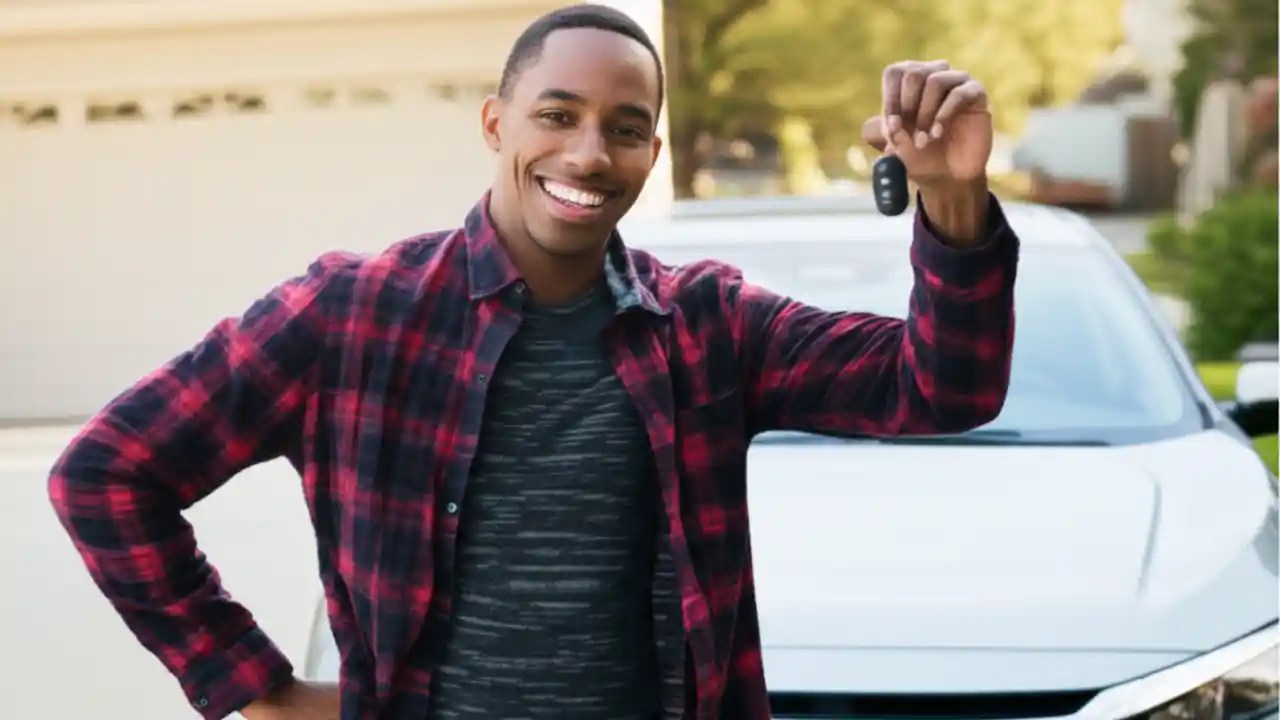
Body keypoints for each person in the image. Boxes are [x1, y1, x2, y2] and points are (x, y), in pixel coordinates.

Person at [47, 4, 1019, 719]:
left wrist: (952, 201)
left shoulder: (708, 326)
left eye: (626, 127)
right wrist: (253, 686)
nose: (590, 152)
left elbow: (938, 389)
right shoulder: (353, 315)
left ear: (651, 149)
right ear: (494, 125)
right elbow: (104, 474)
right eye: (557, 115)